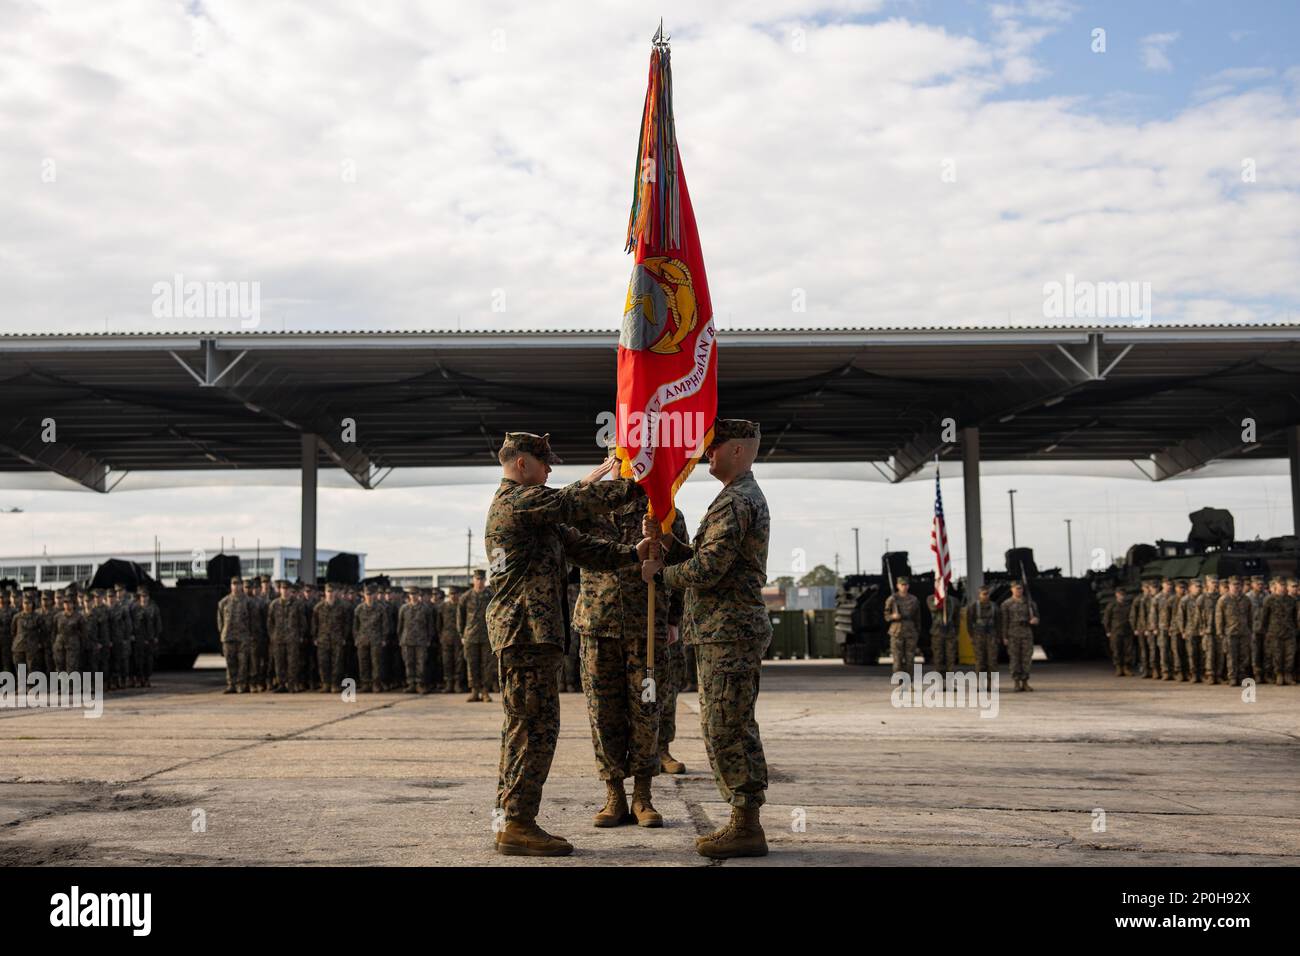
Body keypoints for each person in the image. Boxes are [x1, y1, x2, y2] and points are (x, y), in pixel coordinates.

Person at [486, 432, 652, 858]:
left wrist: (634, 553)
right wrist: (635, 479)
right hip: (525, 635)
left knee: (526, 728)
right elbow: (572, 503)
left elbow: (584, 547)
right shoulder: (518, 501)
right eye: (545, 463)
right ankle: (517, 824)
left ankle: (511, 819)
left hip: (533, 637)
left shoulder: (536, 509)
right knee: (533, 730)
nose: (550, 470)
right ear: (522, 464)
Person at [649, 419, 772, 860]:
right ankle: (743, 820)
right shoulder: (732, 498)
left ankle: (745, 824)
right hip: (722, 631)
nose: (707, 453)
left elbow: (708, 570)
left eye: (716, 446)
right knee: (724, 724)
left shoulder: (737, 500)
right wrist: (668, 541)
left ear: (738, 450)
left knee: (728, 727)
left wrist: (661, 575)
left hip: (730, 631)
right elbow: (703, 559)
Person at [574, 498, 690, 829]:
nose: (622, 464)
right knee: (603, 713)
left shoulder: (664, 512)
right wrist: (587, 489)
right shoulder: (587, 510)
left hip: (647, 629)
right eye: (615, 456)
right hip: (598, 626)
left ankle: (643, 796)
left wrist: (674, 619)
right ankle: (614, 795)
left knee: (647, 711)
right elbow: (569, 545)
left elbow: (682, 564)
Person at [460, 570, 494, 702]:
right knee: (472, 664)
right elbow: (460, 617)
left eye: (481, 579)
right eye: (477, 579)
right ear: (473, 580)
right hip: (470, 635)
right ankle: (474, 691)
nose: (479, 582)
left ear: (485, 580)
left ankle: (485, 692)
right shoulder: (466, 597)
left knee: (486, 665)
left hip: (487, 636)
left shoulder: (490, 596)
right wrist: (461, 634)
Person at [216, 576, 254, 693]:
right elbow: (220, 621)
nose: (236, 587)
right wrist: (223, 633)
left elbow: (253, 620)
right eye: (233, 584)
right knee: (230, 662)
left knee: (243, 663)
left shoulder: (248, 601)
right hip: (228, 637)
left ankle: (241, 685)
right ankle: (231, 685)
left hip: (244, 637)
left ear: (242, 586)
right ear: (230, 586)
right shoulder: (224, 602)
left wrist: (251, 635)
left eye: (238, 584)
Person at [999, 581, 1039, 692]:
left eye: (1020, 588)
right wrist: (1004, 636)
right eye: (1016, 588)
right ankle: (1016, 682)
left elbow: (1037, 617)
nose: (1019, 590)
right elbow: (1004, 622)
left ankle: (1025, 682)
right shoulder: (1006, 604)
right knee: (1015, 659)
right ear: (1012, 589)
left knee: (1026, 658)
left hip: (1026, 633)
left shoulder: (1030, 603)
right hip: (1013, 634)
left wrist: (1035, 620)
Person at [1215, 576, 1252, 686]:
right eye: (1234, 585)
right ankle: (1232, 677)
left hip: (1244, 632)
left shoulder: (1246, 599)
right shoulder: (1223, 600)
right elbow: (1219, 617)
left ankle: (1241, 676)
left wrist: (1250, 629)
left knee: (1243, 656)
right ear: (1229, 586)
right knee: (1231, 656)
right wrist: (1220, 632)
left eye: (1238, 585)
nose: (1236, 587)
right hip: (1230, 633)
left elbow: (1250, 616)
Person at [268, 580, 303, 692]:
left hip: (292, 638)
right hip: (278, 638)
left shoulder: (297, 604)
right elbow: (270, 622)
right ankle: (281, 684)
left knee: (293, 662)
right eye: (283, 589)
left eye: (287, 589)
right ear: (280, 590)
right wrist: (273, 635)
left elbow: (302, 622)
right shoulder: (274, 604)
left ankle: (292, 684)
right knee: (279, 662)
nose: (285, 591)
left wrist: (300, 635)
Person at [354, 584, 388, 693]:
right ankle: (365, 684)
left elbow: (385, 625)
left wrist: (384, 638)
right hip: (362, 639)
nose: (369, 596)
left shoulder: (380, 608)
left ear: (374, 595)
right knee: (363, 662)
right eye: (367, 594)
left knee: (376, 663)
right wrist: (356, 638)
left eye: (371, 594)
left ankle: (376, 684)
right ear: (364, 595)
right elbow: (355, 626)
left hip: (376, 639)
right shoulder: (359, 609)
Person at [884, 576, 920, 673]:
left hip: (910, 631)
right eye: (902, 585)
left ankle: (909, 681)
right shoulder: (892, 599)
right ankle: (899, 681)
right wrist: (893, 616)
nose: (904, 587)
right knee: (897, 659)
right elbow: (886, 616)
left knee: (910, 659)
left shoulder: (914, 599)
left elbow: (917, 618)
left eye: (906, 585)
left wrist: (917, 632)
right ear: (897, 586)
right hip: (897, 631)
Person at [967, 585, 999, 683]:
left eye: (987, 594)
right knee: (980, 661)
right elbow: (969, 623)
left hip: (991, 636)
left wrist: (998, 636)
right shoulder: (973, 607)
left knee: (992, 661)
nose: (986, 596)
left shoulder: (994, 606)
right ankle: (981, 683)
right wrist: (971, 636)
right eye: (984, 594)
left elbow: (999, 622)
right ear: (979, 595)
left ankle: (991, 683)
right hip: (978, 636)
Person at [1102, 587, 1133, 676]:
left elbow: (1133, 617)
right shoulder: (1111, 605)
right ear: (1116, 595)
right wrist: (1107, 630)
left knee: (1128, 650)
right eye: (1120, 594)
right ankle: (1118, 667)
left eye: (1123, 594)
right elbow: (1106, 618)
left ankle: (1126, 667)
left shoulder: (1128, 605)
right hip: (1115, 630)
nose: (1121, 596)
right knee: (1116, 650)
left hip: (1127, 629)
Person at [927, 594, 958, 677]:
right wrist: (941, 600)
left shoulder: (953, 601)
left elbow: (957, 617)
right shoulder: (931, 598)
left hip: (950, 632)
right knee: (938, 657)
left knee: (950, 658)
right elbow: (933, 608)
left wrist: (956, 632)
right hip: (937, 631)